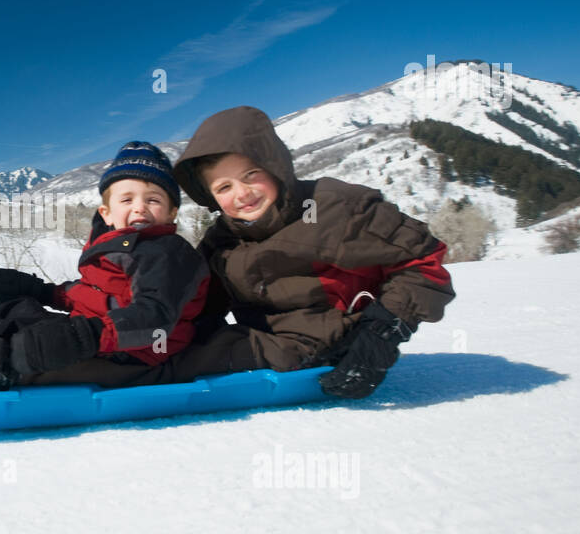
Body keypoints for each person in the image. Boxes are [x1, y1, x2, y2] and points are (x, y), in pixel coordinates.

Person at [0, 142, 209, 391]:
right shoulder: (116, 245)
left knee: (0, 334)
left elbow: (155, 317)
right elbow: (93, 295)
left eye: (154, 200)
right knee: (0, 306)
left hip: (132, 354)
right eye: (127, 199)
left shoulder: (166, 252)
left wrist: (83, 336)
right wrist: (42, 292)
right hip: (95, 335)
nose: (140, 208)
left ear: (172, 212)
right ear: (106, 212)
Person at [160, 106, 456, 398]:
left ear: (274, 167)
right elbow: (200, 304)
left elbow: (423, 260)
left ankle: (140, 377)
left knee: (186, 362)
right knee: (173, 352)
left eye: (251, 174)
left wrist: (382, 329)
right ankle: (124, 369)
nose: (242, 193)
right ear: (210, 197)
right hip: (268, 344)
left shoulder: (335, 208)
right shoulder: (222, 241)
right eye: (224, 187)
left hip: (336, 342)